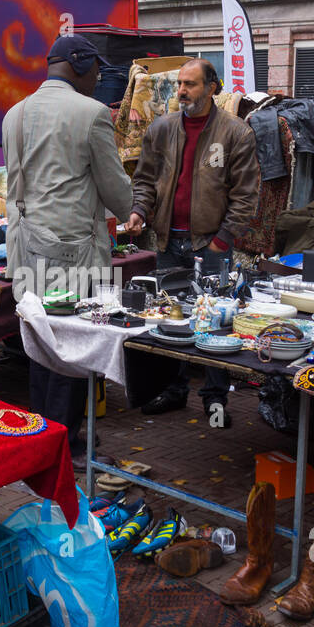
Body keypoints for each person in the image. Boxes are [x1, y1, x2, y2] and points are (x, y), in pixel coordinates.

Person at [3, 35, 132, 466]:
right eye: (95, 69)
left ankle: (42, 434)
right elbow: (117, 192)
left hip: (24, 244)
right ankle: (64, 446)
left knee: (38, 342)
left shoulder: (14, 114)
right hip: (71, 250)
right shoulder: (91, 113)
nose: (98, 78)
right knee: (71, 347)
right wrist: (135, 205)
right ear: (78, 65)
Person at [126, 59, 261, 426]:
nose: (183, 91)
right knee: (172, 317)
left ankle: (215, 398)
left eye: (191, 84)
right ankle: (174, 390)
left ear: (212, 87)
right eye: (180, 84)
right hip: (169, 240)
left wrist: (223, 240)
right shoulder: (162, 129)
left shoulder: (236, 133)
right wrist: (140, 210)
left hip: (211, 243)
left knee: (215, 322)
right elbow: (145, 178)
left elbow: (246, 195)